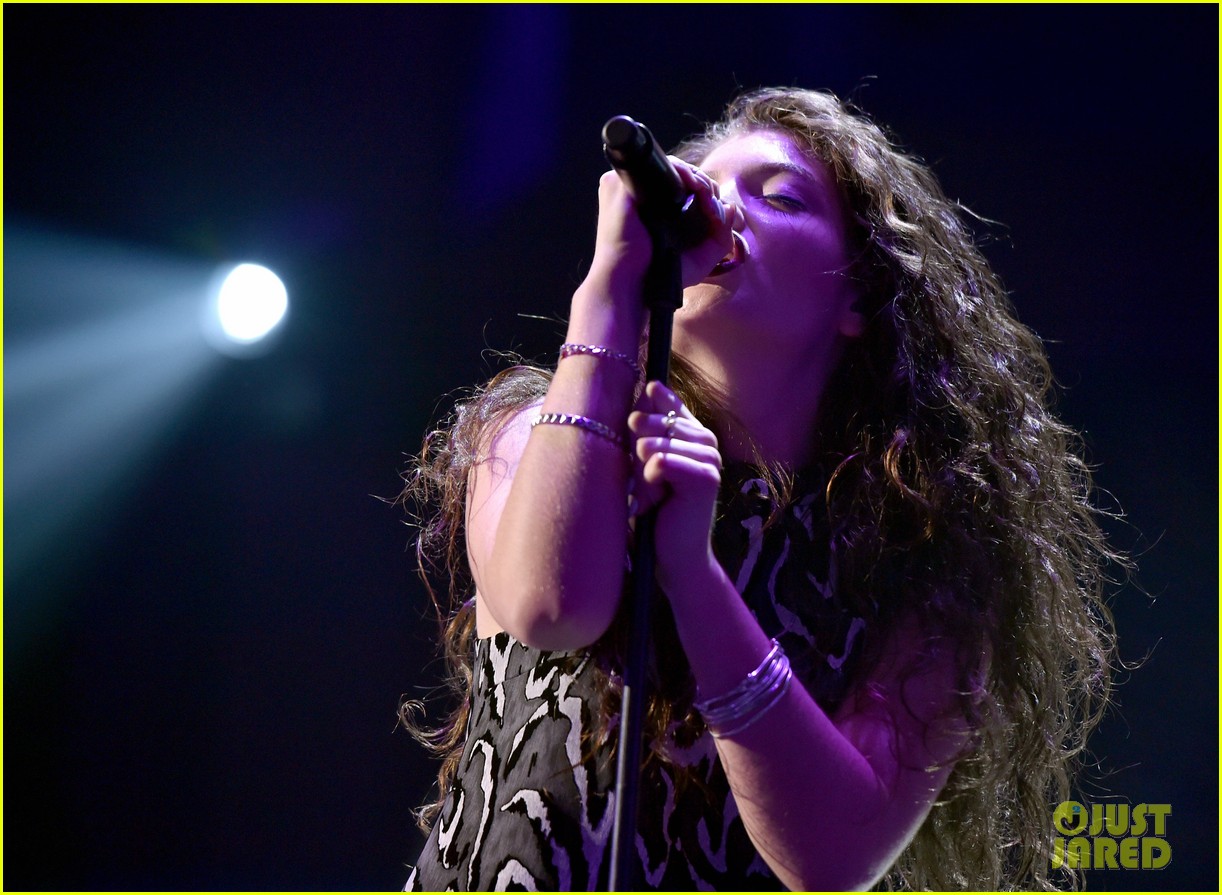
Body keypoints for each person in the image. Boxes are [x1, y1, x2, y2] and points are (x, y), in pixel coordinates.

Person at [398, 88, 1120, 890]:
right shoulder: (537, 431)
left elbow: (830, 858)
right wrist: (610, 291)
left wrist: (696, 574)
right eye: (704, 186)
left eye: (778, 196)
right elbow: (550, 607)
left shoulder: (925, 563)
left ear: (858, 294)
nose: (718, 209)